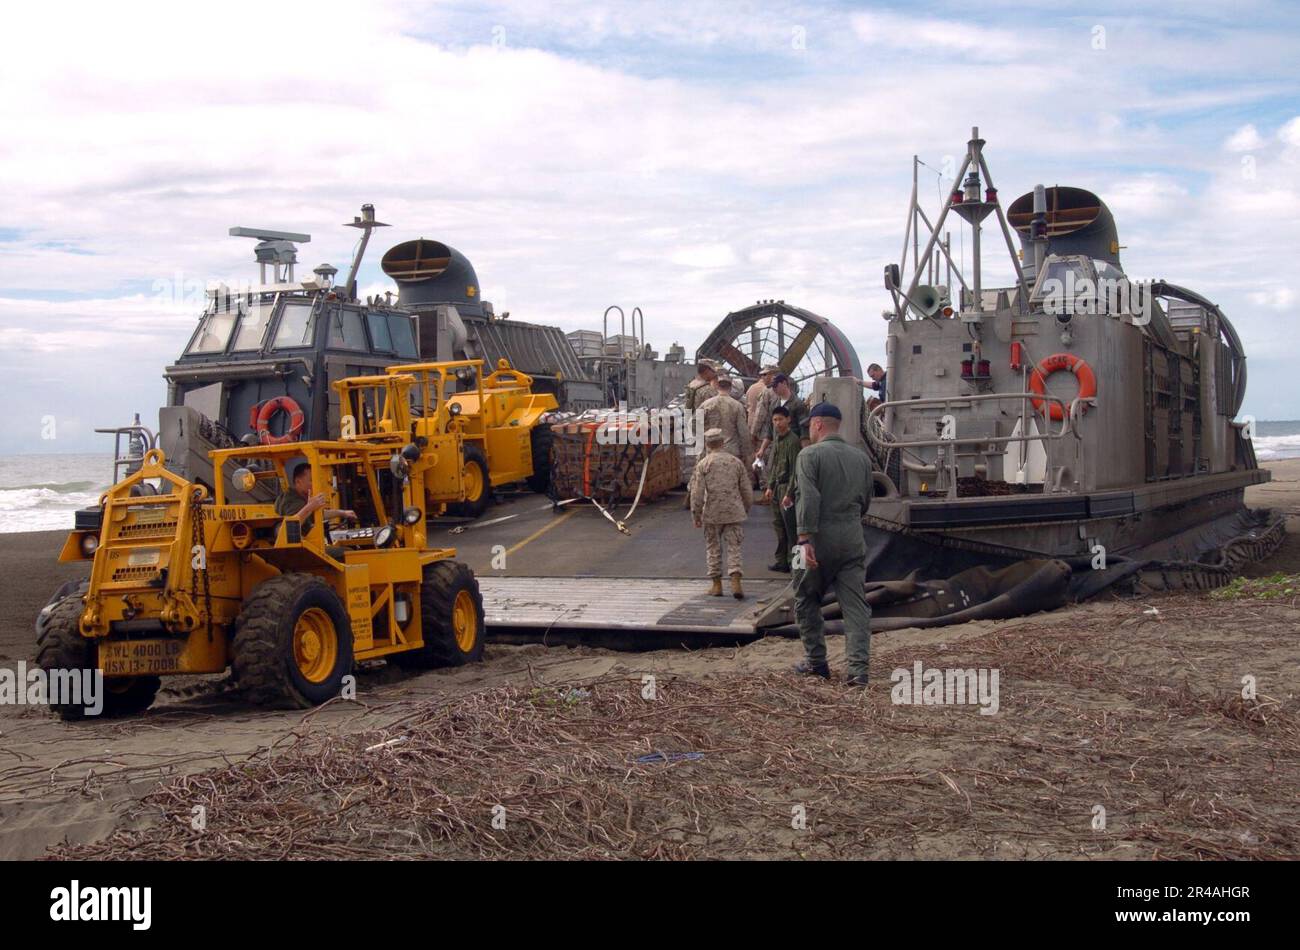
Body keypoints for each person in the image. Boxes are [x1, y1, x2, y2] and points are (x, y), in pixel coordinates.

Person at [791, 402, 873, 686]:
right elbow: (866, 500)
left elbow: (809, 498)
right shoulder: (861, 458)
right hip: (852, 536)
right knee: (855, 606)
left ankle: (817, 663)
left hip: (814, 538)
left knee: (804, 598)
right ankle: (858, 671)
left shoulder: (808, 455)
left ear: (817, 424)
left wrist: (804, 538)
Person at [689, 427, 753, 599]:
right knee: (734, 546)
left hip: (712, 512)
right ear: (723, 442)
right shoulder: (735, 462)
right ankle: (736, 582)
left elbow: (697, 493)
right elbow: (747, 490)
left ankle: (716, 585)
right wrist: (746, 507)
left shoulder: (703, 464)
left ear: (708, 445)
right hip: (733, 511)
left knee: (713, 547)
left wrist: (696, 514)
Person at [764, 405, 801, 573]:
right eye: (775, 420)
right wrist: (770, 486)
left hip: (787, 488)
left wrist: (789, 493)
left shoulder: (793, 441)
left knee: (791, 528)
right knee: (779, 526)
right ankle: (782, 561)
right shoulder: (778, 439)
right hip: (778, 487)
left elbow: (795, 470)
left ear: (788, 420)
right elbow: (774, 466)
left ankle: (796, 565)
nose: (777, 423)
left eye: (780, 419)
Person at [275, 462, 358, 537]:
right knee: (346, 551)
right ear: (298, 482)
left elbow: (317, 514)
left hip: (308, 544)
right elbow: (290, 527)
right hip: (303, 547)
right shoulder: (291, 500)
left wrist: (342, 513)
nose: (315, 484)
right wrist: (309, 507)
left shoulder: (300, 498)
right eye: (311, 480)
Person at [698, 376, 752, 461]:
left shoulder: (706, 404)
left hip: (711, 449)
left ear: (717, 386)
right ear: (730, 387)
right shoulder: (737, 406)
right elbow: (743, 432)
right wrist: (747, 453)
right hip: (731, 451)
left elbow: (694, 425)